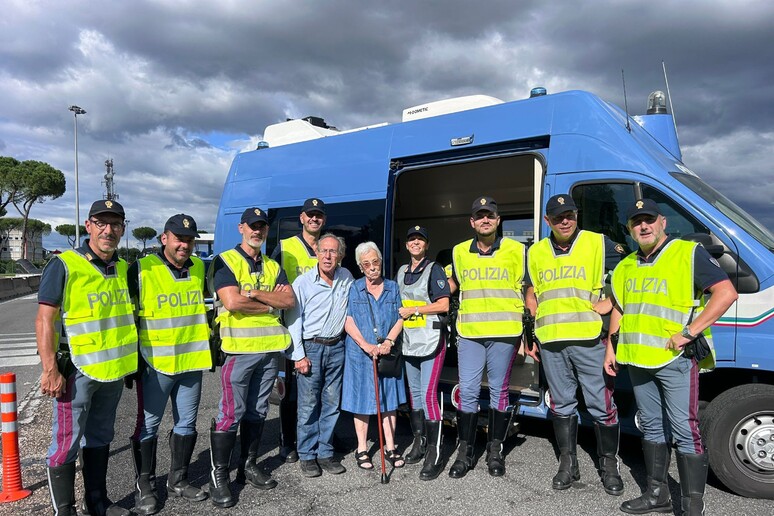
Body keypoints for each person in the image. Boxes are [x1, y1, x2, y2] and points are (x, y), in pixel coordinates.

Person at [604, 199, 738, 516]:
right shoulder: (625, 266)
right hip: (637, 360)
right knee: (651, 427)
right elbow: (620, 309)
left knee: (684, 429)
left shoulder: (687, 253)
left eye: (649, 219)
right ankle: (657, 496)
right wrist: (612, 347)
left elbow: (726, 293)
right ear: (630, 229)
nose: (644, 226)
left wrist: (689, 332)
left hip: (675, 359)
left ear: (662, 222)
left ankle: (692, 508)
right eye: (637, 222)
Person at [36, 199, 137, 516]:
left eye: (115, 224)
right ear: (88, 226)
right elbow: (44, 320)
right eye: (101, 223)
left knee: (100, 438)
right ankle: (63, 511)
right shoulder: (65, 264)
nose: (108, 230)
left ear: (122, 229)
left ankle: (97, 504)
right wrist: (50, 369)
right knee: (66, 442)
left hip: (112, 371)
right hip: (76, 371)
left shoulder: (123, 268)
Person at [526, 194, 625, 494]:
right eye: (557, 217)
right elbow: (531, 286)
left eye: (568, 214)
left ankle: (609, 464)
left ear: (577, 215)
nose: (564, 221)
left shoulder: (597, 242)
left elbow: (630, 270)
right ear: (547, 221)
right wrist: (530, 302)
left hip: (588, 338)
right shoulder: (536, 251)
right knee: (562, 404)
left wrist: (612, 300)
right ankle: (568, 463)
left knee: (600, 404)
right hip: (551, 340)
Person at [208, 207, 295, 508]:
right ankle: (219, 475)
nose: (258, 231)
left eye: (262, 227)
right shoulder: (227, 261)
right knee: (231, 411)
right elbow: (231, 301)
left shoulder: (272, 265)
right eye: (252, 226)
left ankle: (248, 465)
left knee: (258, 410)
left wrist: (254, 295)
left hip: (270, 350)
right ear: (241, 228)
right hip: (239, 351)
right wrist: (269, 303)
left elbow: (287, 300)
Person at [127, 214, 211, 515]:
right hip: (155, 364)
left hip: (191, 360)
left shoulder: (200, 267)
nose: (184, 245)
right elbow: (127, 314)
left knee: (186, 424)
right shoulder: (141, 268)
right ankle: (145, 486)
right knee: (149, 425)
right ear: (164, 238)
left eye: (189, 239)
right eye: (179, 238)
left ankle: (178, 480)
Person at [448, 196, 526, 478]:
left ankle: (495, 451)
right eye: (480, 216)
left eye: (490, 215)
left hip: (504, 333)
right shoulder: (458, 252)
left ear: (498, 220)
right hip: (470, 333)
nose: (485, 220)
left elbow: (527, 289)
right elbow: (451, 284)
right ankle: (465, 451)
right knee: (467, 390)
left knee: (499, 391)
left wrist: (527, 339)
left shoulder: (517, 250)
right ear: (472, 222)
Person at [285, 233, 354, 477]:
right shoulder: (302, 283)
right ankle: (307, 454)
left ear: (340, 256)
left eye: (333, 251)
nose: (327, 256)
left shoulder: (346, 277)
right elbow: (293, 321)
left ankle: (325, 452)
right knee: (308, 405)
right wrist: (298, 355)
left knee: (332, 403)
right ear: (316, 253)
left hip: (337, 347)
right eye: (323, 250)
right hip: (311, 347)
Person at [271, 197, 327, 463]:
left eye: (319, 215)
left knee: (319, 388)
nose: (314, 219)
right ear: (302, 218)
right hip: (291, 326)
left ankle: (319, 436)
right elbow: (270, 280)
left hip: (319, 328)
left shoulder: (328, 247)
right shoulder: (286, 247)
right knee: (290, 390)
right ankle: (287, 441)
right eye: (310, 215)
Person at [342, 241, 407, 470]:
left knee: (389, 401)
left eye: (375, 262)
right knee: (361, 401)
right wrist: (366, 345)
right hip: (360, 355)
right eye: (366, 264)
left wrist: (389, 341)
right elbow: (348, 320)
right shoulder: (354, 288)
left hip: (387, 354)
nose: (372, 267)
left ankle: (390, 446)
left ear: (381, 262)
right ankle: (362, 449)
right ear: (361, 267)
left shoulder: (393, 287)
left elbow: (400, 317)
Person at [396, 226, 450, 481]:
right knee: (414, 395)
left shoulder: (434, 269)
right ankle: (419, 441)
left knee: (429, 395)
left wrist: (415, 309)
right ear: (407, 246)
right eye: (411, 240)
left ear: (426, 245)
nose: (415, 243)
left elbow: (443, 304)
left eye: (420, 239)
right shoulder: (401, 272)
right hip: (409, 341)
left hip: (431, 339)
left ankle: (434, 453)